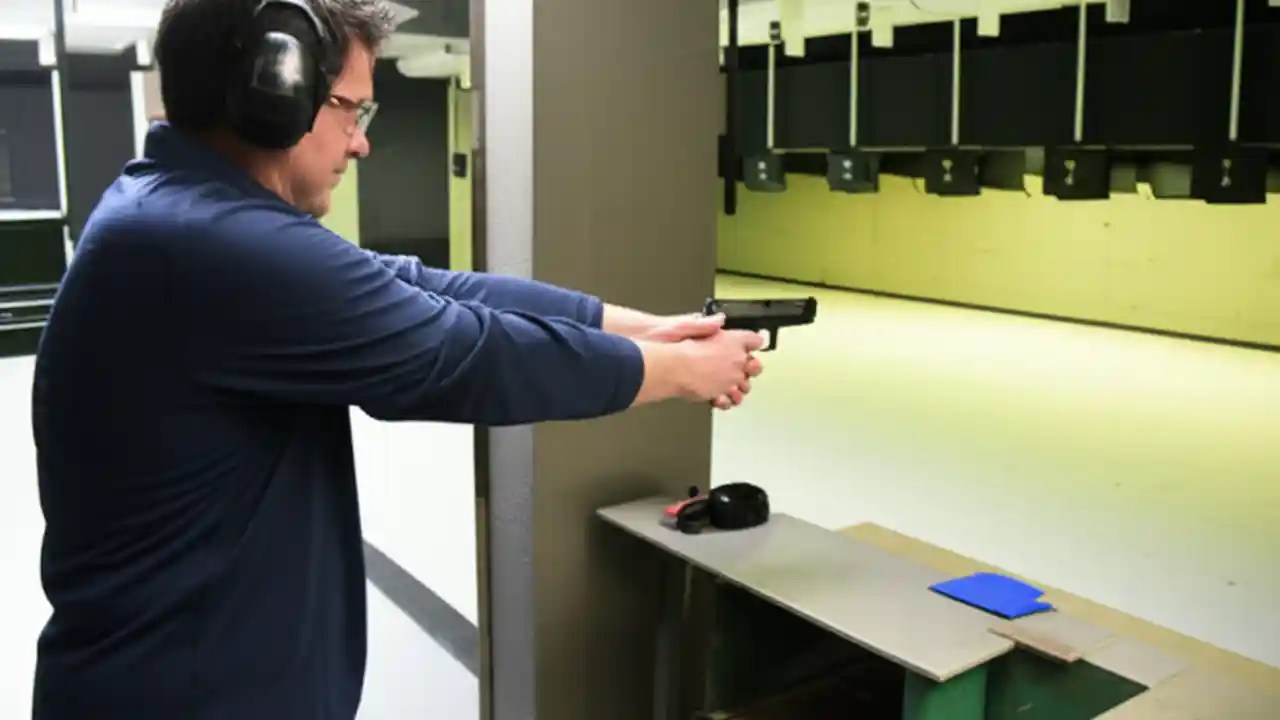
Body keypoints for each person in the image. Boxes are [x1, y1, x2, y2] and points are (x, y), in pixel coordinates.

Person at [28, 0, 765, 717]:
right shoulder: (206, 243)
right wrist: (679, 373)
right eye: (351, 109)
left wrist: (649, 331)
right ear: (273, 86)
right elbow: (462, 355)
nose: (361, 141)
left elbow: (421, 284)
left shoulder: (182, 212)